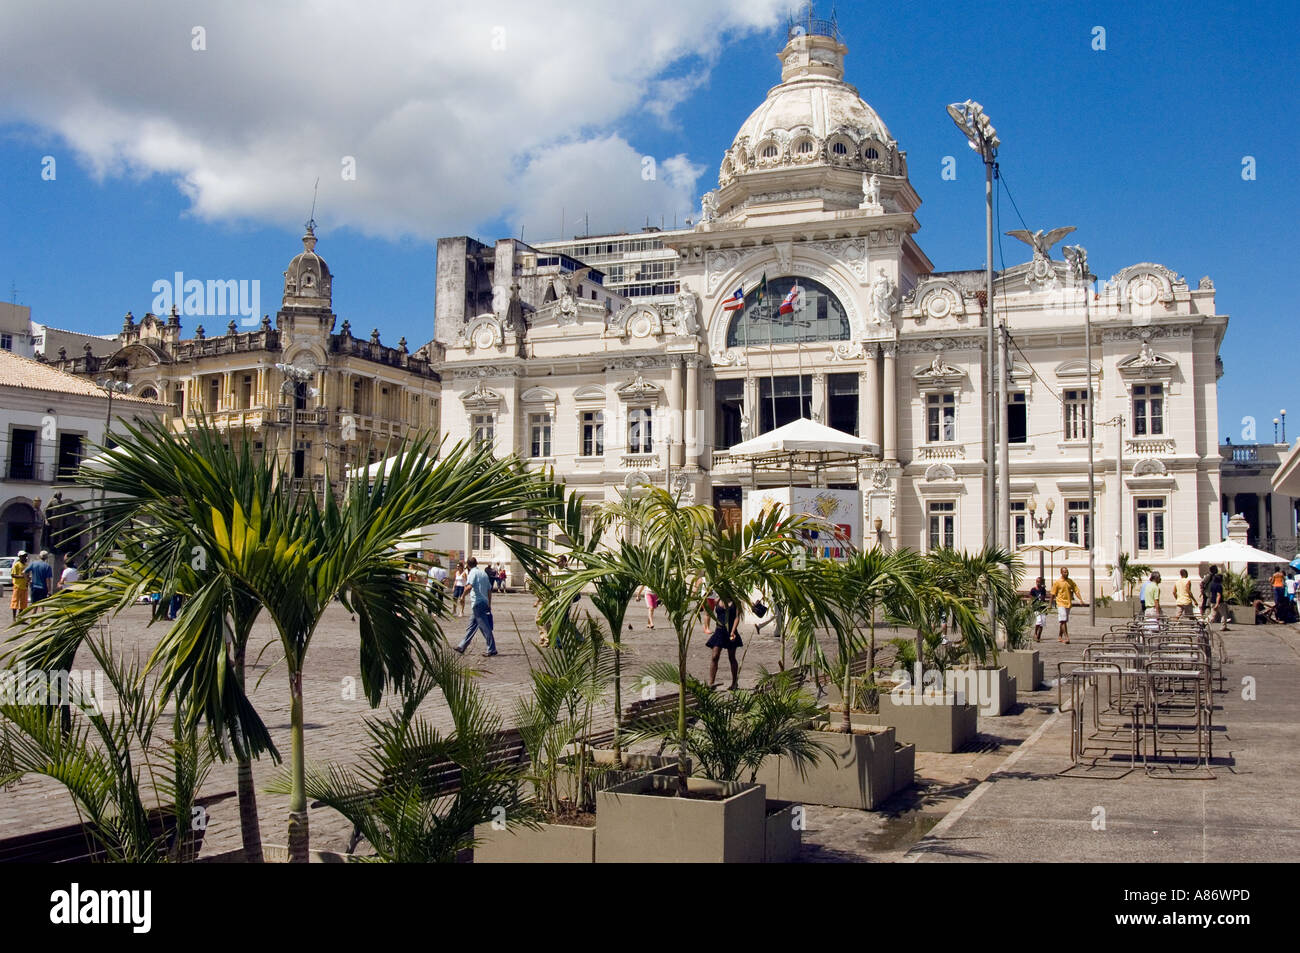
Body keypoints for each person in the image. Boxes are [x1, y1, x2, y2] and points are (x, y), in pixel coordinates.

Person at [454, 557, 498, 657]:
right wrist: (489, 604)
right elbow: (489, 590)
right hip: (484, 602)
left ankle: (492, 649)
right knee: (472, 626)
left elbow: (469, 587)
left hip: (477, 603)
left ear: (468, 565)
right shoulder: (483, 573)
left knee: (485, 627)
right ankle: (462, 646)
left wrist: (462, 597)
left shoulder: (473, 573)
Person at [705, 595, 743, 690]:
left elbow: (737, 618)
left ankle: (734, 683)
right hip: (719, 631)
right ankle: (711, 682)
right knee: (715, 656)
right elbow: (708, 611)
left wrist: (733, 631)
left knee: (731, 657)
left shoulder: (736, 602)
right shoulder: (717, 600)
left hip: (731, 632)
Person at [1050, 567, 1083, 643]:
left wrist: (1080, 599)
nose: (1066, 573)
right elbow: (1052, 593)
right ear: (1061, 573)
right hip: (1060, 603)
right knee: (1063, 620)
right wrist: (1050, 604)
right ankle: (1066, 637)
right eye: (1064, 572)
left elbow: (1076, 591)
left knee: (1063, 621)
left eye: (1067, 572)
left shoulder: (1070, 581)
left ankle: (1059, 636)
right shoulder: (1057, 582)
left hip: (1068, 603)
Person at [1028, 576, 1049, 642]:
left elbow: (1044, 599)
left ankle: (1039, 636)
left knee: (1042, 622)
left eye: (1039, 582)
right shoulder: (1033, 590)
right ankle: (1035, 633)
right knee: (1038, 621)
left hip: (1042, 607)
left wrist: (1046, 608)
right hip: (1036, 607)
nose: (1038, 583)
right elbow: (1031, 598)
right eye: (1037, 582)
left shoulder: (1043, 590)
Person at [9, 552, 29, 620]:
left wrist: (27, 580)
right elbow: (13, 575)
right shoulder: (16, 564)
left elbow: (27, 574)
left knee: (23, 603)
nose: (24, 557)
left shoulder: (26, 565)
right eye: (23, 556)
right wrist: (21, 576)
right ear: (19, 557)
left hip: (24, 586)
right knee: (15, 602)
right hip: (17, 586)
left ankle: (19, 618)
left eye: (25, 556)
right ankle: (14, 617)